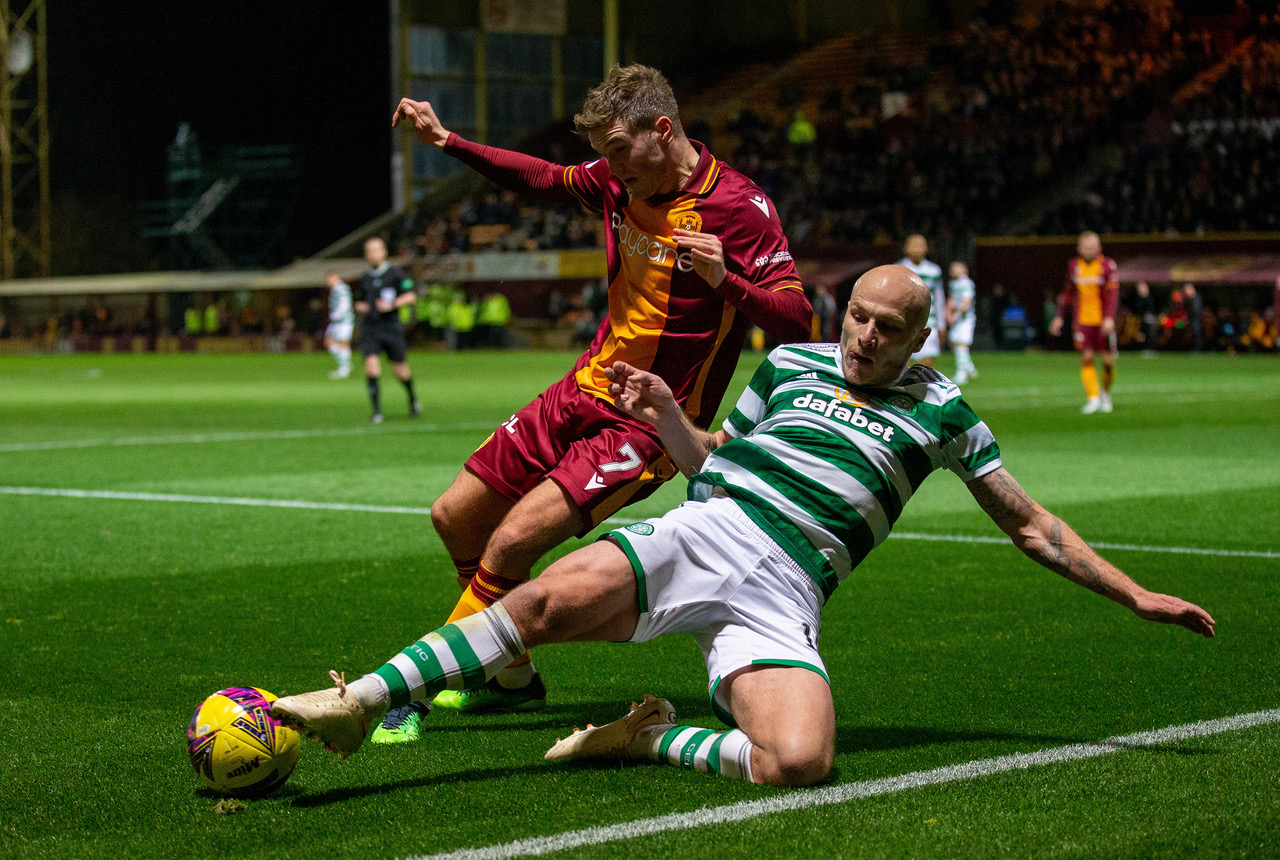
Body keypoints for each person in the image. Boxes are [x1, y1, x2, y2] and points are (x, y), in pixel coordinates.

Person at [271, 265, 1214, 787]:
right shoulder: (791, 365)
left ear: (920, 338)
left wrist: (1131, 593)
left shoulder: (944, 413)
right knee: (544, 597)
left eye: (888, 328)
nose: (864, 337)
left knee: (798, 760)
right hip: (711, 529)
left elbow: (1032, 525)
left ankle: (644, 737)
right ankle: (360, 704)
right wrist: (665, 417)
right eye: (857, 317)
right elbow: (715, 460)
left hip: (788, 588)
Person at [373, 64, 810, 738]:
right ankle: (509, 676)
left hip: (649, 423)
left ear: (661, 130)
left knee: (512, 540)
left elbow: (798, 321)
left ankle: (417, 690)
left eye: (618, 150)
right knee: (456, 515)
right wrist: (448, 141)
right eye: (604, 154)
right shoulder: (616, 179)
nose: (608, 168)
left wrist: (728, 282)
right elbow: (546, 178)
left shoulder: (739, 210)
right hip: (584, 387)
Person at [1050, 232, 1119, 414]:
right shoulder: (1074, 266)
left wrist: (1110, 317)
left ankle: (1105, 393)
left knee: (1108, 361)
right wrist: (1059, 317)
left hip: (1103, 321)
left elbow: (1112, 295)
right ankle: (1093, 398)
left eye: (1093, 247)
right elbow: (1068, 294)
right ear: (1079, 249)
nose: (1089, 251)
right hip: (1082, 321)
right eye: (1086, 247)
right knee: (1087, 358)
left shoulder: (1107, 266)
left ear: (1099, 248)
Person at [354, 237, 421, 424]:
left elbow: (411, 296)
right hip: (371, 329)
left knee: (400, 371)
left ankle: (413, 398)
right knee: (371, 367)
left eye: (377, 250)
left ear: (384, 252)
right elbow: (358, 301)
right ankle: (376, 411)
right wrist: (362, 307)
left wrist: (392, 304)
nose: (373, 254)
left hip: (391, 328)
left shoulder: (396, 274)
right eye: (370, 251)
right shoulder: (364, 279)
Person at [896, 234, 945, 367]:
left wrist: (942, 324)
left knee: (927, 364)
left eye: (921, 245)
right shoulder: (898, 269)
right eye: (914, 245)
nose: (917, 249)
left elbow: (939, 298)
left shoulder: (934, 271)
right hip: (905, 322)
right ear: (906, 248)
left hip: (930, 322)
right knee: (903, 362)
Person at [945, 261, 978, 384]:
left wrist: (956, 314)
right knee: (954, 342)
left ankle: (962, 373)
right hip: (957, 318)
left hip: (965, 319)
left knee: (961, 344)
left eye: (956, 267)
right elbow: (952, 299)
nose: (953, 269)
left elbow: (966, 302)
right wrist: (948, 313)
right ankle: (970, 368)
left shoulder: (966, 283)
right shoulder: (953, 283)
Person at [323, 271, 354, 379]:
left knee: (343, 343)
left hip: (344, 321)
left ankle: (344, 368)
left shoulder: (341, 288)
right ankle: (345, 363)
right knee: (328, 342)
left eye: (329, 278)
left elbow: (345, 304)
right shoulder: (335, 289)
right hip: (336, 321)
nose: (328, 281)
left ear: (335, 277)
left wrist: (338, 314)